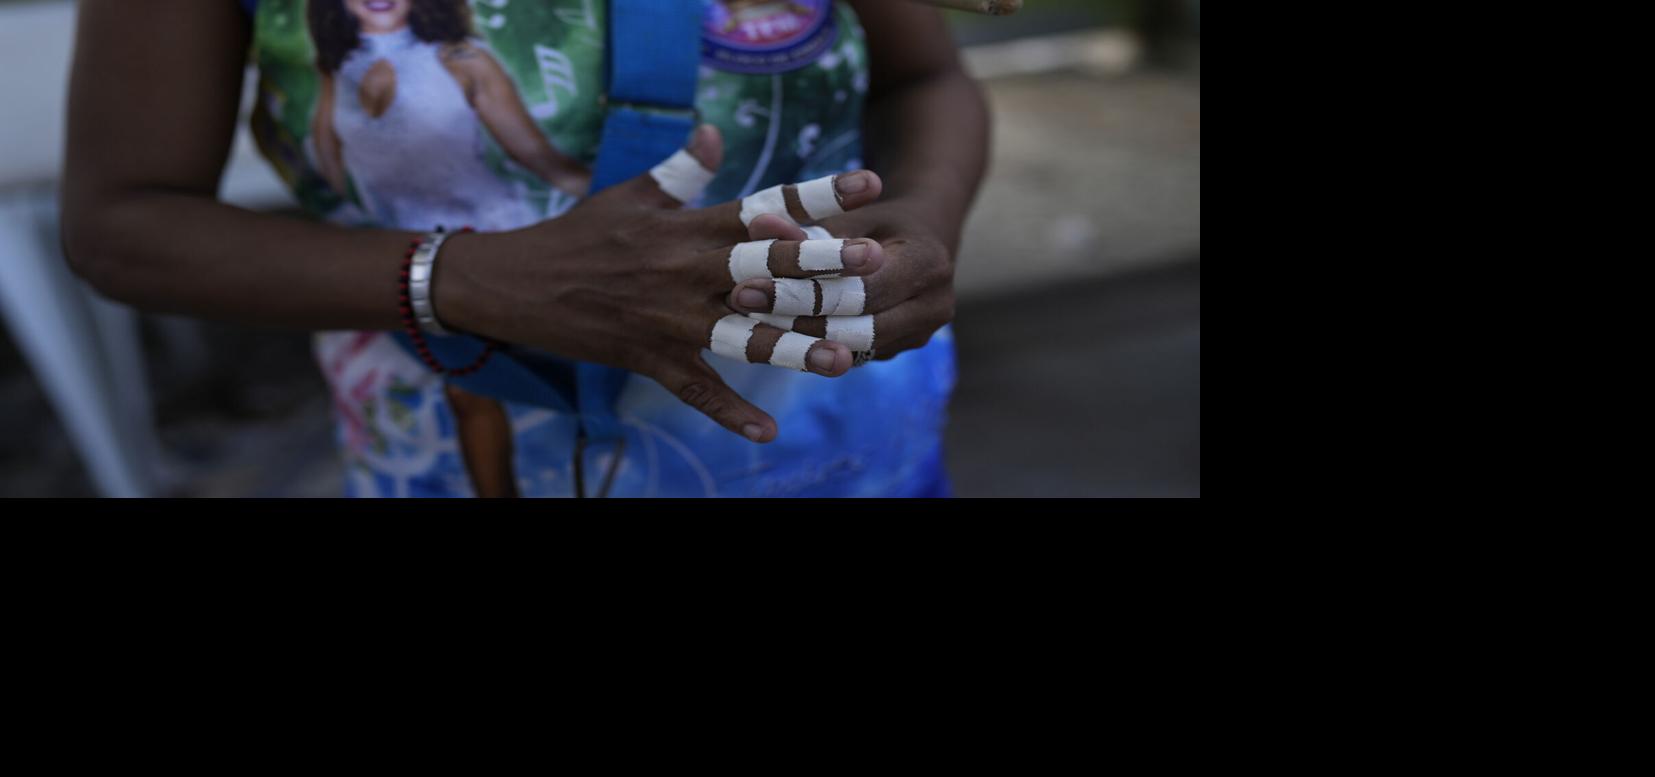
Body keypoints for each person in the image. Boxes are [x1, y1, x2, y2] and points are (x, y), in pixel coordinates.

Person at [60, 0, 989, 498]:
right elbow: (123, 222)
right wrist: (463, 277)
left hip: (845, 449)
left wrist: (924, 220)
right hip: (459, 451)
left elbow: (926, 76)